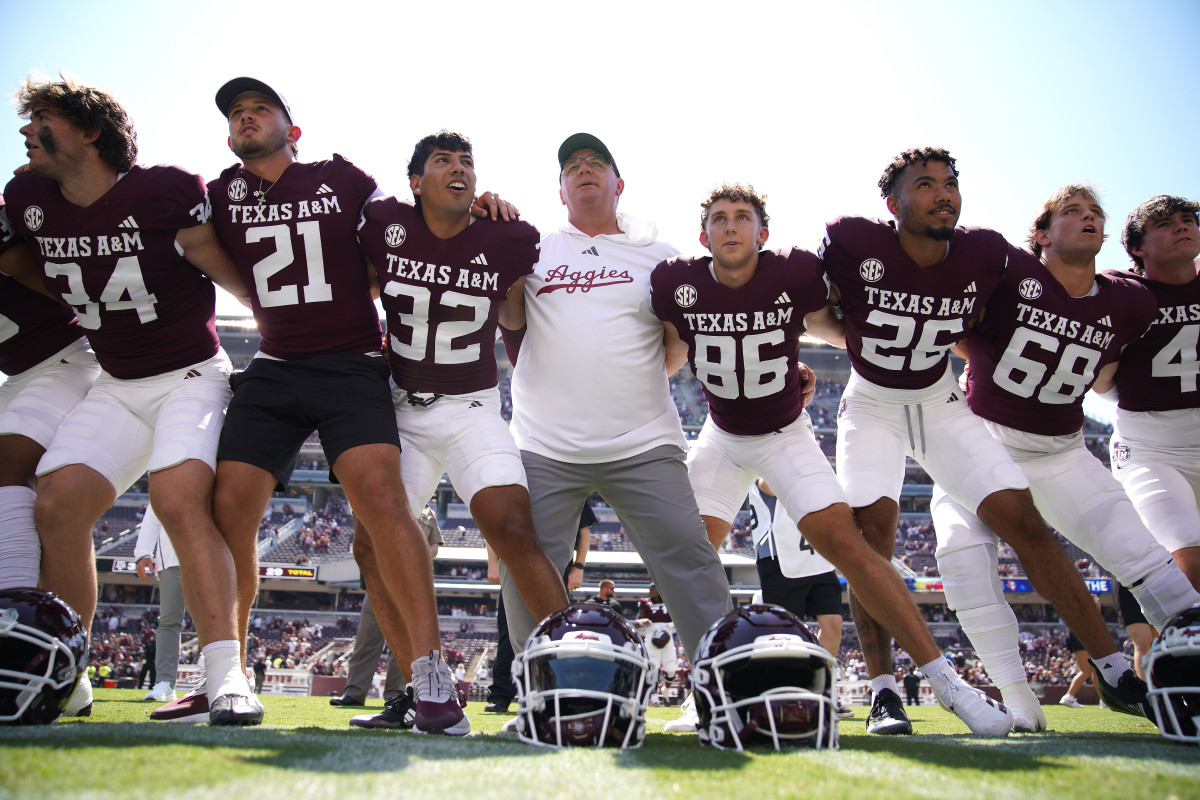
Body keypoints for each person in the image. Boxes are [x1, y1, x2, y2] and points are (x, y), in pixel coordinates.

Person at [651, 181, 1011, 737]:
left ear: (762, 232)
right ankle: (707, 690)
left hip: (784, 434)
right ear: (703, 235)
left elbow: (847, 331)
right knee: (684, 562)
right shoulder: (678, 283)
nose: (730, 226)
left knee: (853, 548)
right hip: (720, 437)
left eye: (742, 216)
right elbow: (671, 352)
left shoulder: (792, 274)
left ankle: (946, 684)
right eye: (719, 218)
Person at [817, 147, 1153, 734]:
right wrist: (843, 338)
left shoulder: (987, 252)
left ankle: (1113, 667)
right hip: (871, 402)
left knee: (1021, 519)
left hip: (940, 399)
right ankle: (884, 691)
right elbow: (813, 310)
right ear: (892, 202)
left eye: (950, 183)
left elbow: (997, 325)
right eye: (925, 185)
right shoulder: (851, 240)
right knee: (873, 542)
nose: (943, 193)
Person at [200, 81, 490, 736]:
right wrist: (250, 292)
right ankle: (231, 673)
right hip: (274, 364)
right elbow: (196, 245)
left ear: (292, 129)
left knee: (383, 504)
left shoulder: (341, 178)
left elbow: (400, 241)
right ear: (228, 137)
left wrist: (478, 207)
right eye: (236, 115)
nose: (247, 118)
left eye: (261, 109)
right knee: (230, 503)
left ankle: (429, 674)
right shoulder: (220, 193)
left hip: (351, 361)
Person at [1, 75, 256, 724]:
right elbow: (18, 263)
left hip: (190, 375)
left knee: (176, 502)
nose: (28, 133)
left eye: (44, 121)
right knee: (57, 504)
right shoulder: (28, 196)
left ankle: (227, 678)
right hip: (115, 381)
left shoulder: (165, 190)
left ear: (91, 132)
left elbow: (234, 254)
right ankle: (69, 668)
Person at [927, 184, 1200, 732]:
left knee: (1147, 560)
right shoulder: (1007, 271)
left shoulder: (1130, 299)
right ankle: (1016, 695)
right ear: (1042, 235)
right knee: (962, 559)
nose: (1088, 218)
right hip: (981, 438)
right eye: (1072, 212)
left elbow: (1109, 377)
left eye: (1096, 212)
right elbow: (959, 329)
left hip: (1060, 449)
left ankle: (1163, 680)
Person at [500, 133, 733, 668]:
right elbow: (511, 320)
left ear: (618, 183)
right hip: (545, 444)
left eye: (596, 163)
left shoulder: (659, 256)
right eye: (571, 167)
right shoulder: (534, 247)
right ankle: (543, 686)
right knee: (526, 563)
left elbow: (677, 346)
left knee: (689, 557)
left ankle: (724, 683)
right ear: (560, 190)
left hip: (642, 441)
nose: (583, 169)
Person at [355, 130, 569, 659]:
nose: (459, 168)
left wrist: (507, 250)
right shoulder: (386, 225)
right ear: (415, 182)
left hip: (471, 407)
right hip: (402, 410)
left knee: (514, 529)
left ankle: (572, 669)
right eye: (443, 160)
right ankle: (418, 686)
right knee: (369, 545)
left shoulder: (507, 237)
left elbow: (515, 317)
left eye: (467, 161)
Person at [0, 193, 99, 592]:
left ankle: (17, 611)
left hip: (66, 359)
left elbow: (54, 282)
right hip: (18, 376)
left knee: (8, 463)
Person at [1109, 195, 1200, 589]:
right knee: (1189, 558)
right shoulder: (1124, 292)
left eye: (1188, 219)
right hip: (1152, 447)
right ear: (1136, 248)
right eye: (1165, 224)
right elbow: (1102, 383)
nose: (1182, 226)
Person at [746, 478, 853, 718]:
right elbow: (769, 485)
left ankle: (823, 689)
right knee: (787, 632)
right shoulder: (762, 454)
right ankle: (785, 693)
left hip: (817, 553)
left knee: (833, 623)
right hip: (779, 556)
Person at [485, 504, 595, 713]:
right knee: (509, 634)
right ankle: (501, 695)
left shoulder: (566, 481)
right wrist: (492, 562)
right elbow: (492, 523)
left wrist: (578, 567)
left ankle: (555, 692)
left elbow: (584, 530)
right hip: (513, 561)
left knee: (555, 630)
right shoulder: (515, 478)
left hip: (555, 566)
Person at [342, 506, 444, 730]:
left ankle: (397, 695)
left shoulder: (428, 514)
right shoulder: (384, 499)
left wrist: (412, 551)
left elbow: (434, 548)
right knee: (366, 638)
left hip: (411, 581)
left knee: (405, 642)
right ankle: (354, 692)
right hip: (380, 576)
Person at [134, 504, 186, 704]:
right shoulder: (167, 473)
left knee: (215, 620)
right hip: (171, 556)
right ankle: (165, 683)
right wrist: (144, 552)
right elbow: (155, 508)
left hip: (210, 553)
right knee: (168, 620)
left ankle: (218, 682)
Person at [634, 582, 677, 698]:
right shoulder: (645, 603)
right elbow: (636, 623)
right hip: (651, 633)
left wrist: (671, 625)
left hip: (667, 633)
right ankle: (652, 694)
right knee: (652, 665)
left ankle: (666, 688)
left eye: (654, 589)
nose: (651, 591)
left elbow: (681, 617)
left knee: (671, 665)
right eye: (650, 589)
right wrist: (642, 621)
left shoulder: (669, 601)